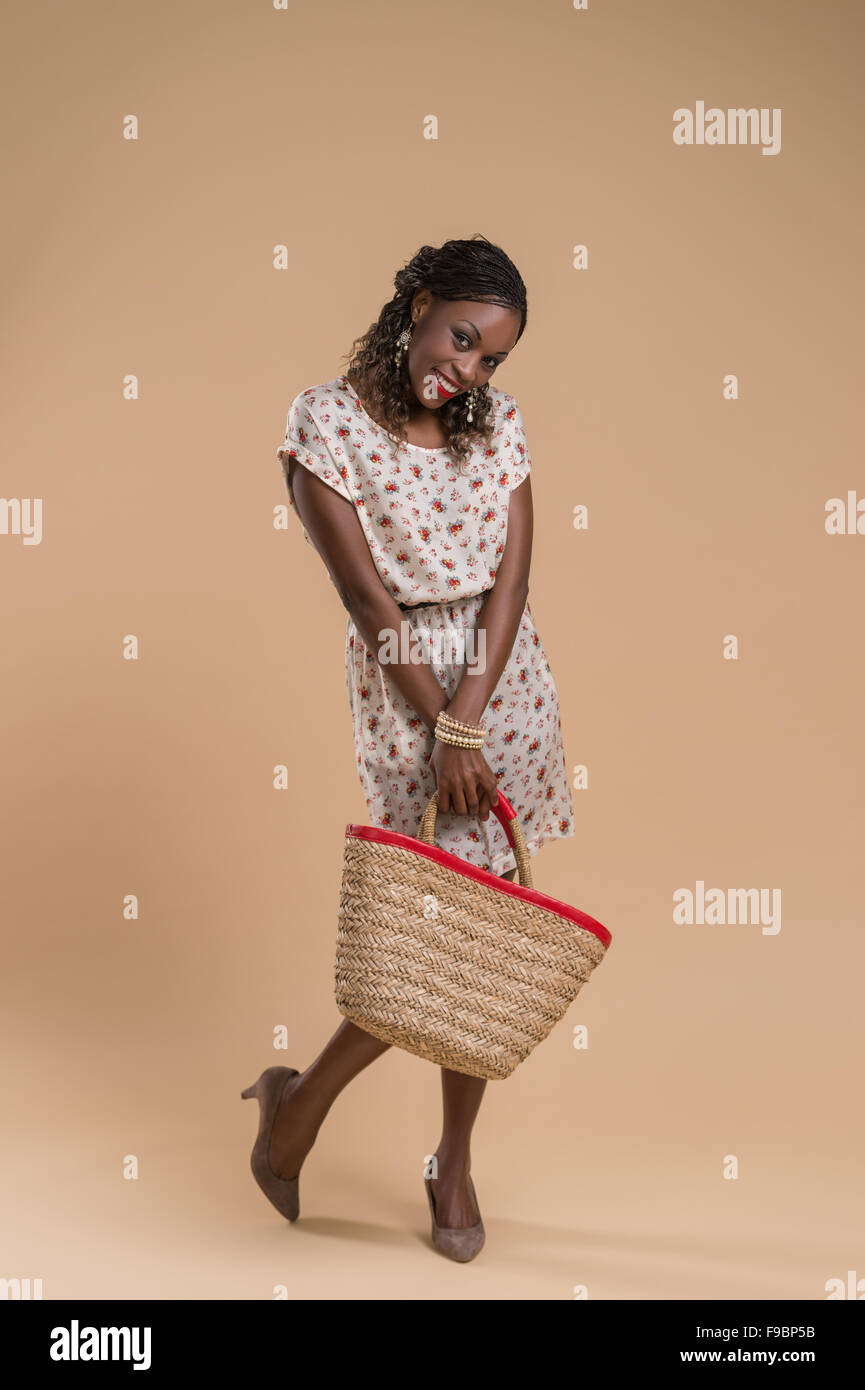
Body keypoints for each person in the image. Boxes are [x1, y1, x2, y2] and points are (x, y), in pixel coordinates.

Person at [242, 235, 575, 1262]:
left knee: (478, 933)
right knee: (435, 932)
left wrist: (472, 719)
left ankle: (446, 1157)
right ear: (420, 303)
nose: (466, 371)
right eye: (462, 339)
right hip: (405, 687)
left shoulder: (495, 425)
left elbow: (513, 581)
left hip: (503, 685)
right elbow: (364, 596)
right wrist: (440, 726)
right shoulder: (326, 422)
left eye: (489, 359)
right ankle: (298, 1114)